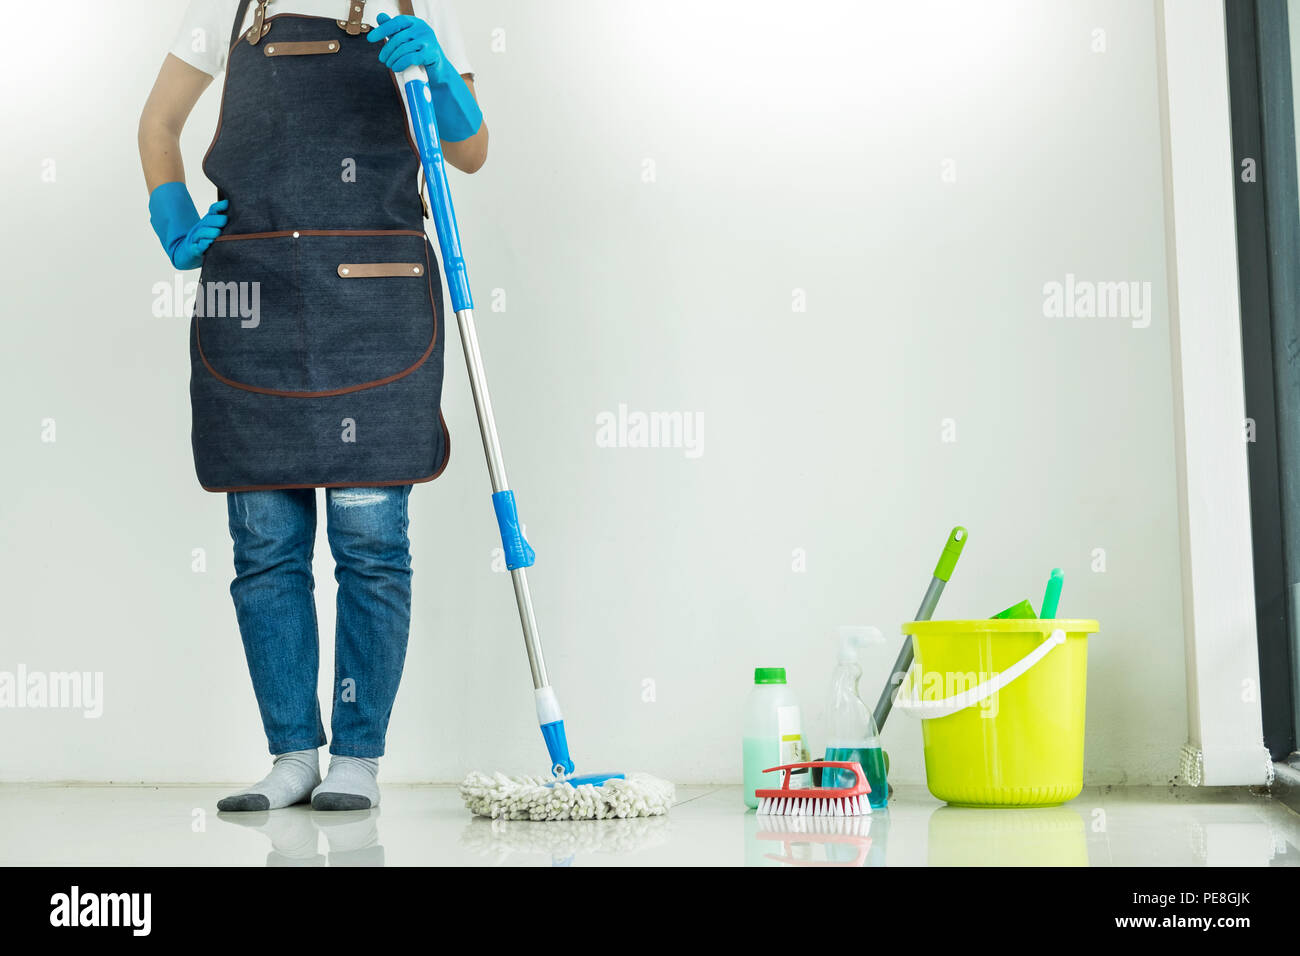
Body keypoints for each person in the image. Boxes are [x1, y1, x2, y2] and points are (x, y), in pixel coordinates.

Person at [137, 0, 487, 811]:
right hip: (250, 297)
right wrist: (171, 208)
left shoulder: (413, 5)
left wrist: (437, 71)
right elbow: (160, 122)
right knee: (264, 544)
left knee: (370, 542)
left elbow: (469, 151)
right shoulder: (231, 8)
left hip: (375, 305)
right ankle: (292, 753)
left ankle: (357, 757)